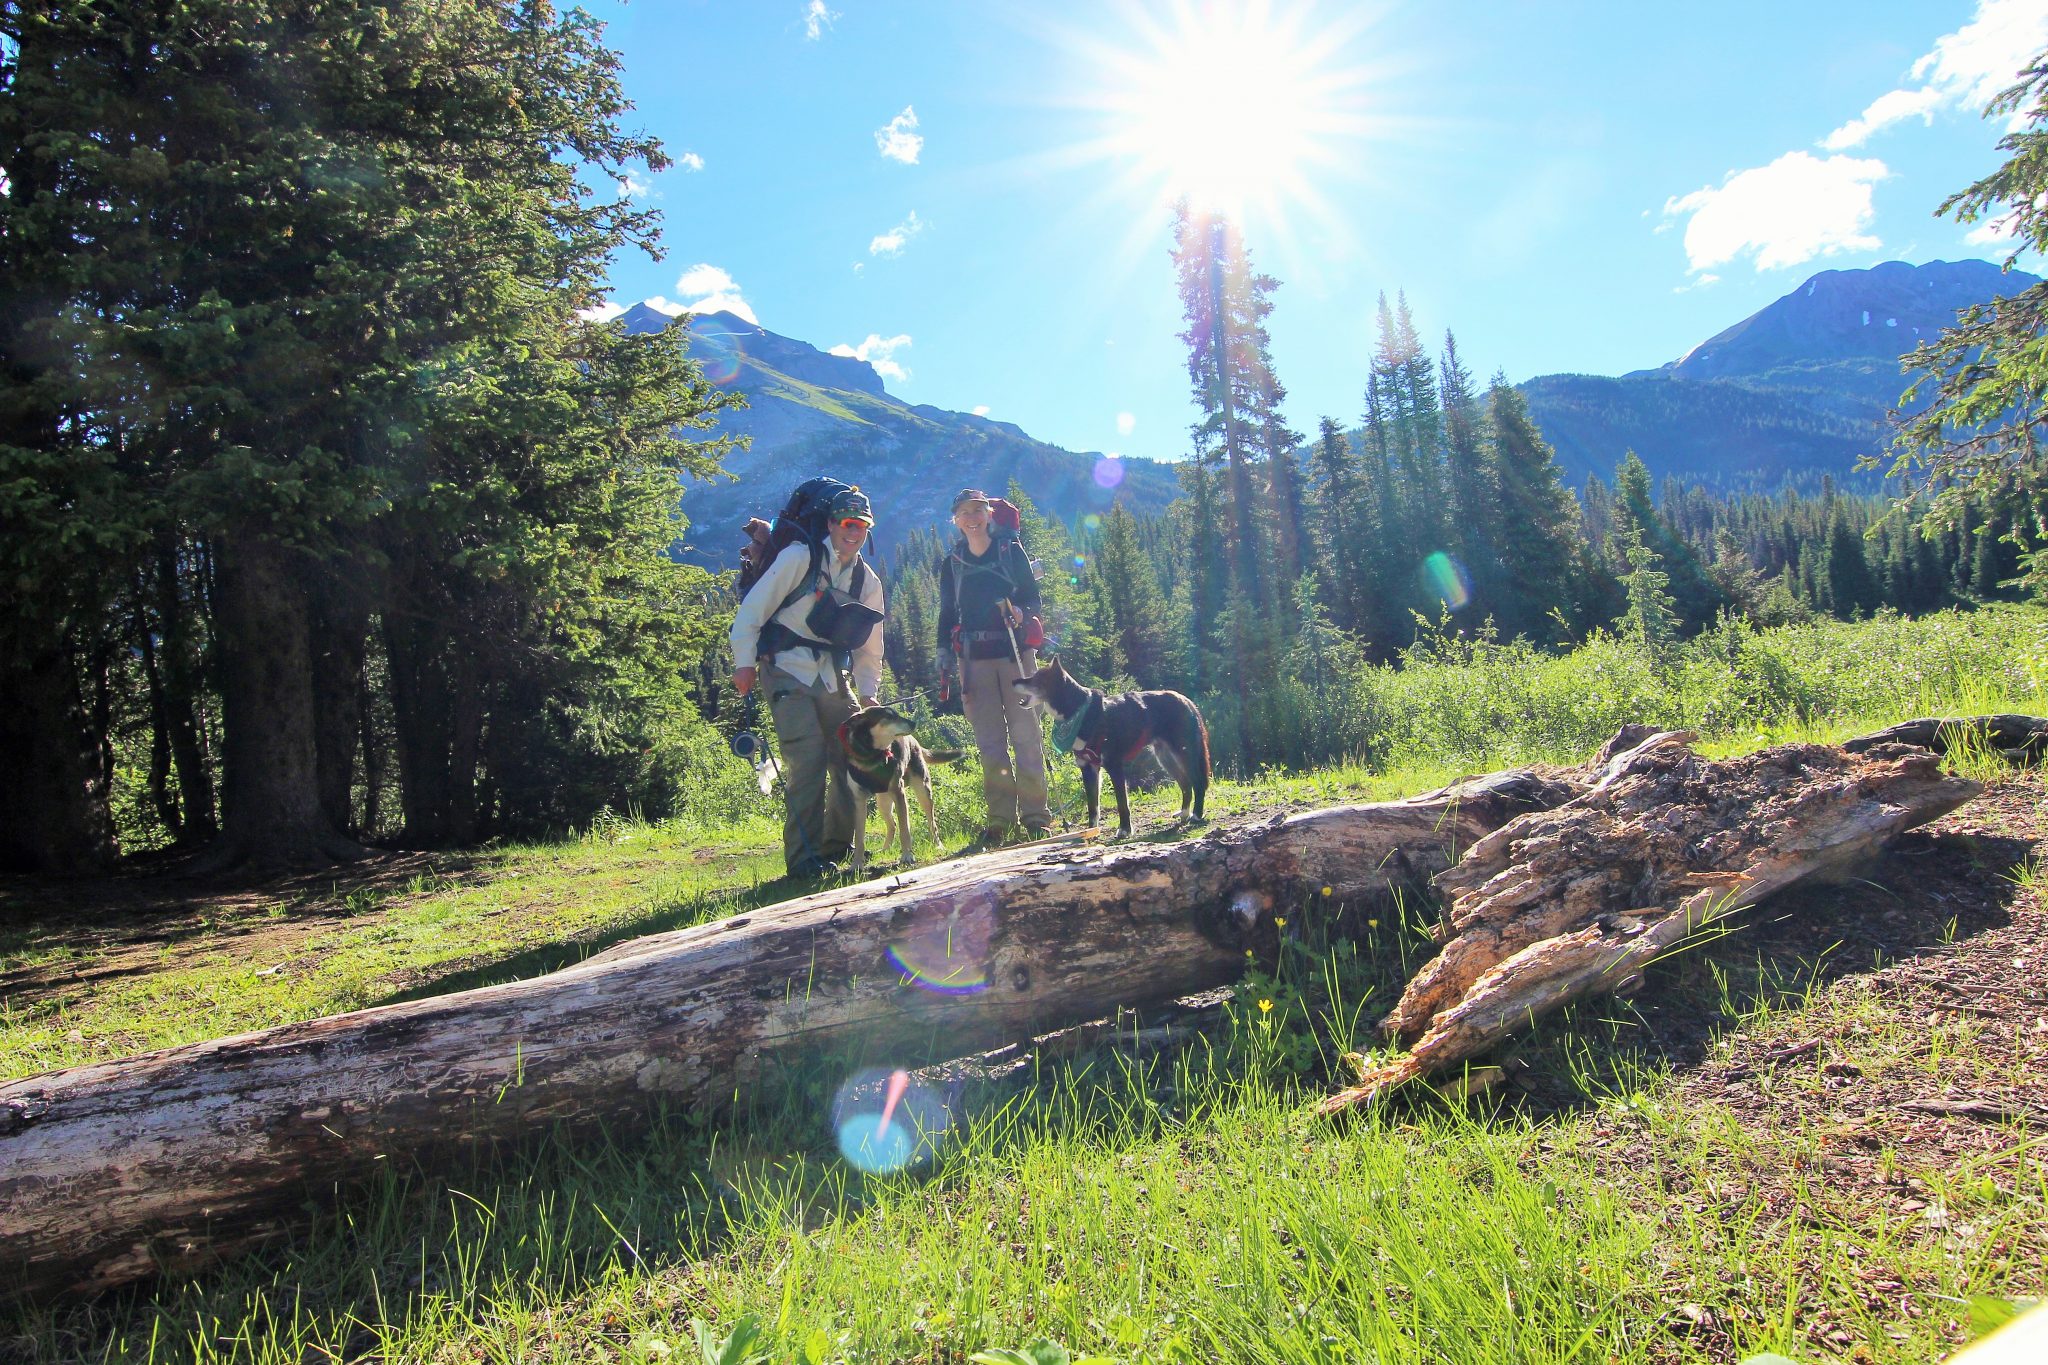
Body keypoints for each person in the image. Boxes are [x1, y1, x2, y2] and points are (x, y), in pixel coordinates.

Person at [730, 487, 885, 878]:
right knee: (808, 758)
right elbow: (752, 612)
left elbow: (870, 648)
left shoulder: (867, 581)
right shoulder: (799, 558)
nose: (853, 532)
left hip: (833, 676)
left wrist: (868, 693)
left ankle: (837, 849)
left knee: (852, 757)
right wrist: (744, 664)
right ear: (831, 524)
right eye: (847, 523)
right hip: (785, 667)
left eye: (861, 526)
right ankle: (803, 860)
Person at [937, 487, 1050, 845]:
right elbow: (947, 612)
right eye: (964, 513)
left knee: (1026, 736)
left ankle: (1036, 817)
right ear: (956, 520)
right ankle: (1000, 819)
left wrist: (1021, 613)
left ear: (988, 514)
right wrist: (942, 652)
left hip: (1015, 654)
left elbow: (1033, 598)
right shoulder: (952, 563)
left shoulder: (1010, 551)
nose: (971, 518)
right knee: (990, 742)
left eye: (977, 511)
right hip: (973, 661)